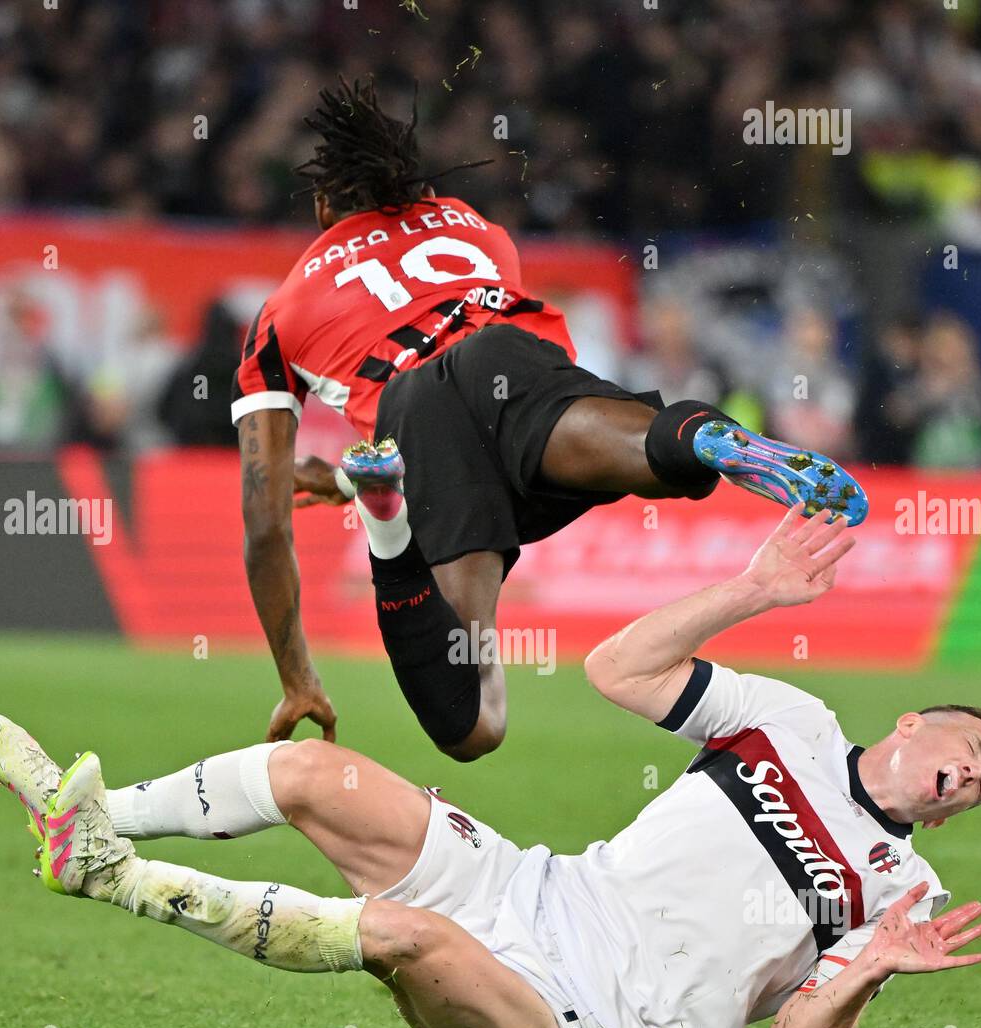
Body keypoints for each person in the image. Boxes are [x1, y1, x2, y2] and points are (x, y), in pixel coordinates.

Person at [0, 507, 981, 1028]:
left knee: (402, 934)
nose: (971, 772)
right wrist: (749, 591)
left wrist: (867, 969)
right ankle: (91, 822)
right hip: (534, 887)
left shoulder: (898, 892)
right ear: (914, 720)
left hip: (579, 1015)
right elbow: (618, 670)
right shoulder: (791, 723)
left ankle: (118, 880)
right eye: (971, 745)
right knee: (312, 772)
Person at [231, 78, 868, 763]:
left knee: (470, 722)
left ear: (325, 205)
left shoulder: (278, 316)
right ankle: (706, 437)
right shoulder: (472, 226)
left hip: (413, 414)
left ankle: (386, 518)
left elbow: (266, 524)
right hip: (507, 357)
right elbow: (466, 370)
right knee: (645, 456)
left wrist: (296, 677)